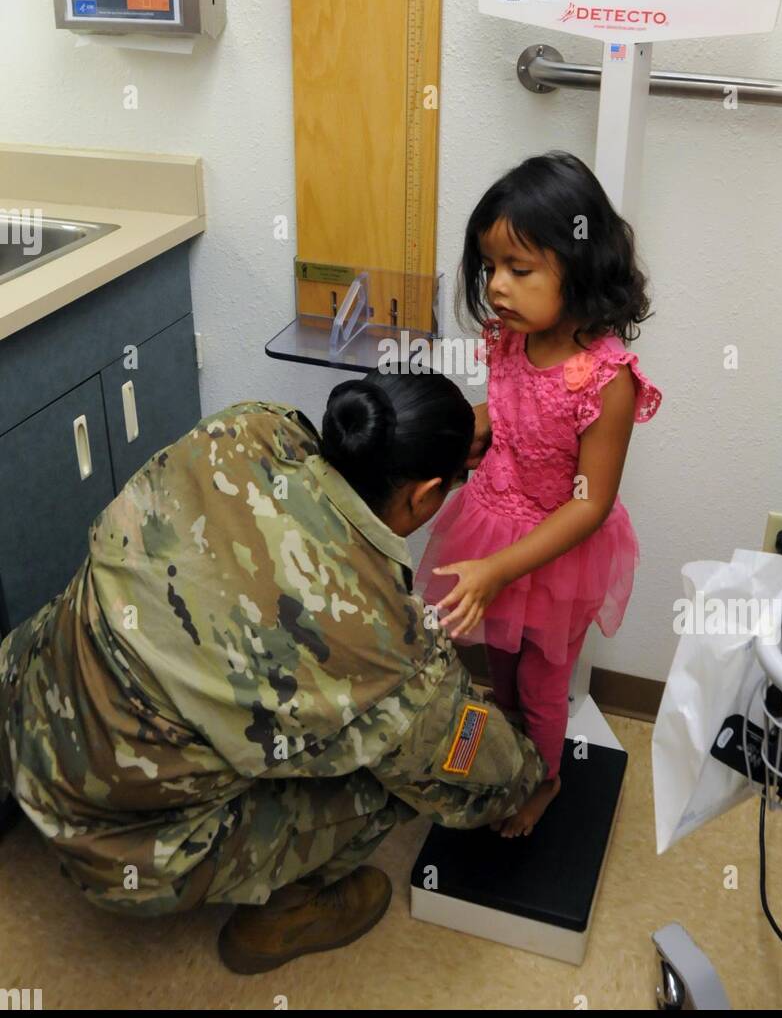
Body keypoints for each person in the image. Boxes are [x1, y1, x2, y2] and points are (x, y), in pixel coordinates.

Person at [0, 373, 546, 975]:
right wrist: (531, 776)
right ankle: (284, 917)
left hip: (27, 691)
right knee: (397, 775)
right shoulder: (384, 642)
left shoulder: (250, 427)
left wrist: (437, 426)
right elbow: (475, 762)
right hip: (119, 852)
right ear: (425, 496)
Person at [417, 152, 663, 836]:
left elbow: (590, 502)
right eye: (489, 268)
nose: (496, 287)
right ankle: (511, 760)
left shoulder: (604, 378)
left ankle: (545, 780)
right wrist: (467, 431)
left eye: (518, 270)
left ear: (578, 267)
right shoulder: (510, 340)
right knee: (499, 665)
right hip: (492, 521)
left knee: (541, 681)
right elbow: (507, 407)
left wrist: (500, 568)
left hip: (554, 551)